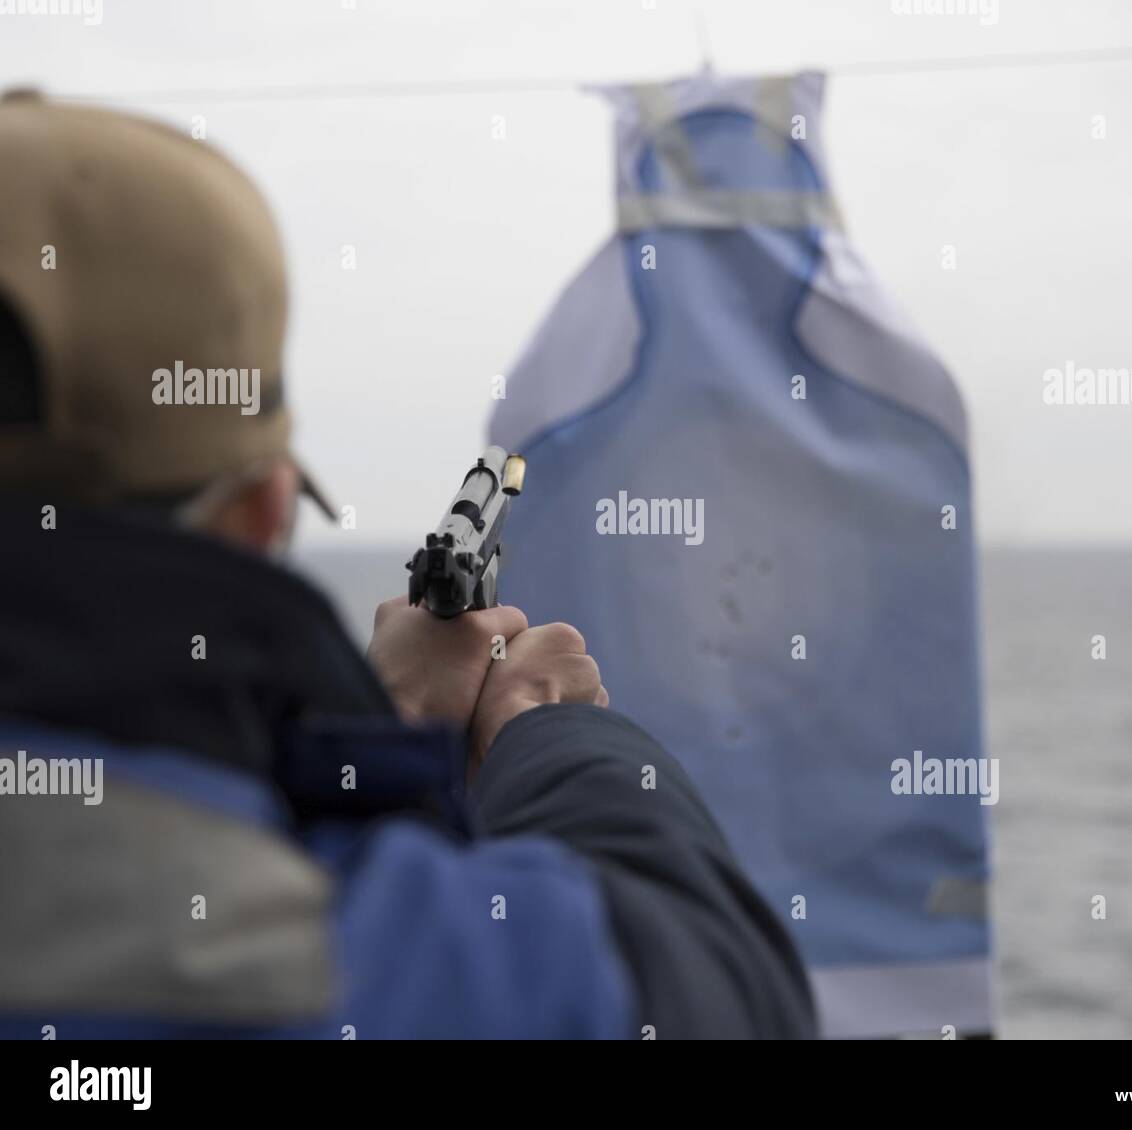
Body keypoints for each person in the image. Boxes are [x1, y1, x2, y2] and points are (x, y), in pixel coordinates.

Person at [0, 91, 814, 1039]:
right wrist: (542, 730)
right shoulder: (316, 965)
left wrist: (371, 728)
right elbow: (723, 984)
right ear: (260, 514)